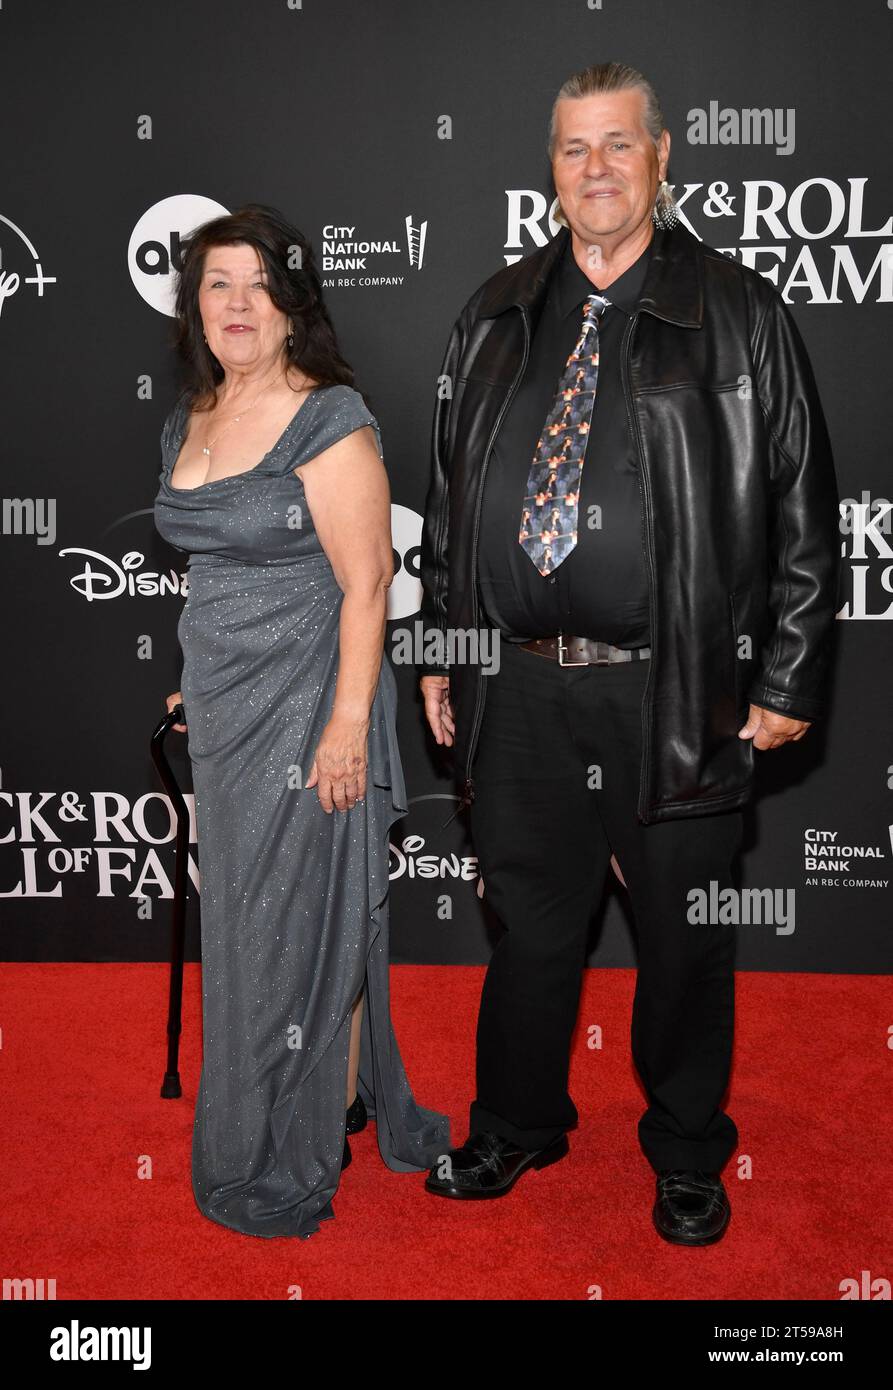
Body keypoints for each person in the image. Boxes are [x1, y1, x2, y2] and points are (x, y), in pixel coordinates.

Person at [417, 64, 839, 1245]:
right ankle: (515, 1119)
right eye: (569, 149)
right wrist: (442, 651)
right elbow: (450, 503)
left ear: (661, 158)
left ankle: (688, 1148)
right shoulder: (494, 311)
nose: (592, 169)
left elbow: (804, 511)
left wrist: (787, 674)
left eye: (615, 145)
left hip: (675, 689)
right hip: (516, 684)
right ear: (546, 169)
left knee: (682, 936)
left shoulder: (740, 311)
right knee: (530, 923)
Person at [153, 203, 449, 1239]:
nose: (235, 303)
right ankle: (342, 1090)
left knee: (311, 917)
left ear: (291, 306)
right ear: (195, 305)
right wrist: (198, 678)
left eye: (255, 284)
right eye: (214, 283)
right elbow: (215, 572)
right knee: (255, 922)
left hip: (313, 706)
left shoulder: (328, 416)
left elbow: (366, 583)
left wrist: (343, 726)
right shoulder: (189, 412)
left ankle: (302, 1129)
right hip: (228, 710)